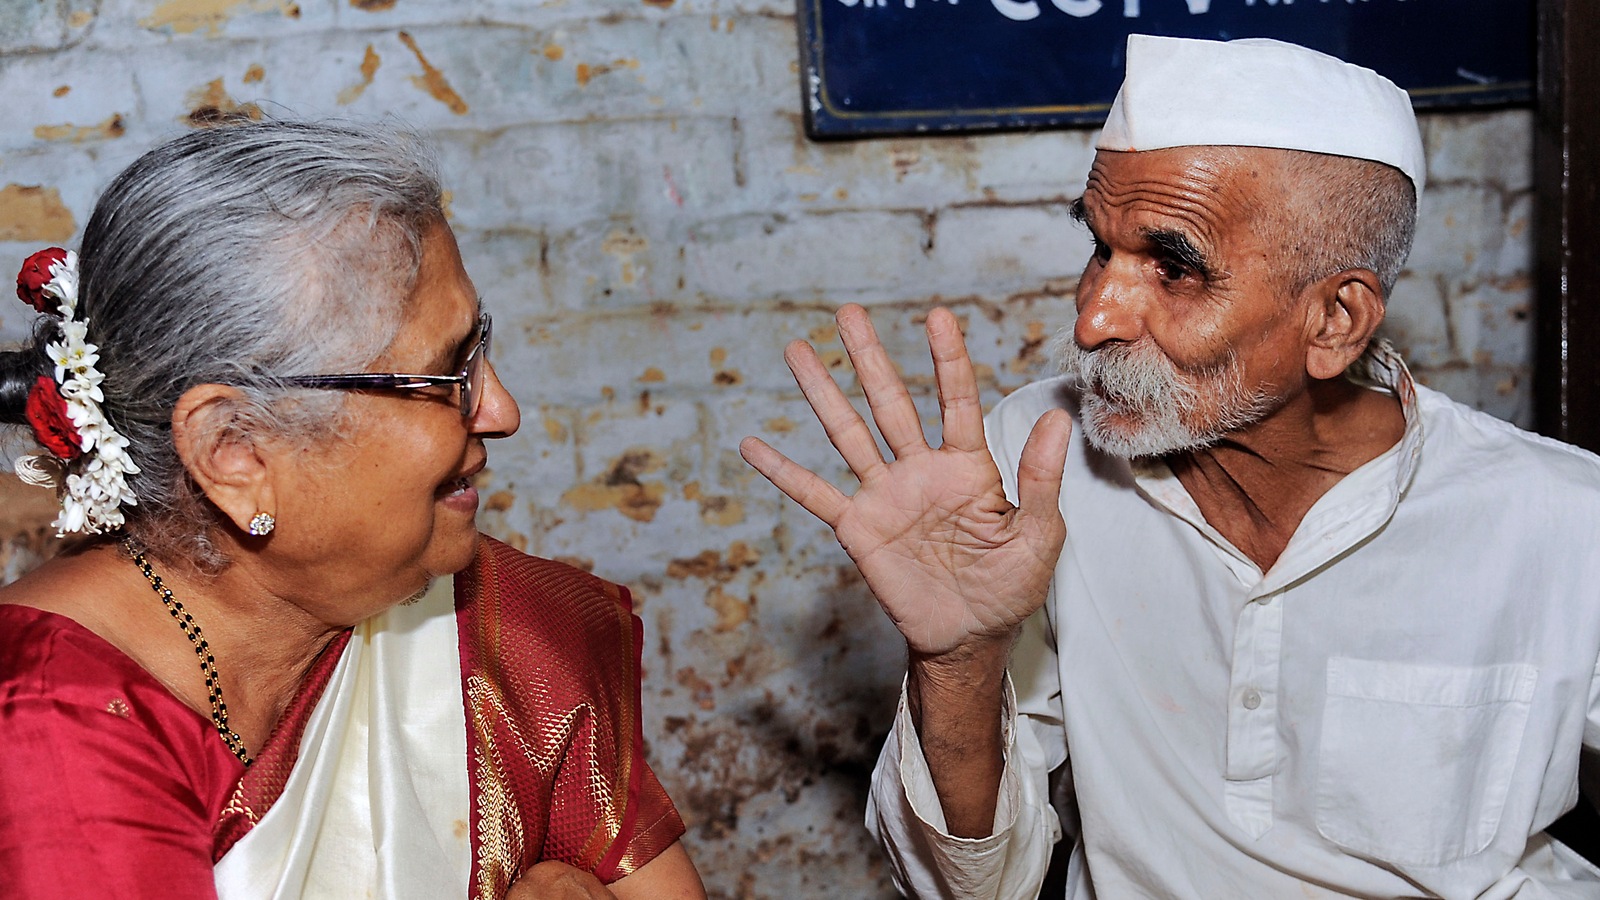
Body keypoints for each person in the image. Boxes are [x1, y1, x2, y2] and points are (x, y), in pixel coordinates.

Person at [742, 35, 1600, 899]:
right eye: (1099, 249)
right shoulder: (1039, 458)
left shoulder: (1560, 521)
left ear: (1336, 320)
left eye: (1173, 266)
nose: (1094, 319)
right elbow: (974, 887)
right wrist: (959, 662)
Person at [0, 120, 706, 900]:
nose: (502, 409)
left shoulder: (502, 634)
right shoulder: (51, 718)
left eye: (480, 349)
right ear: (235, 451)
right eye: (445, 377)